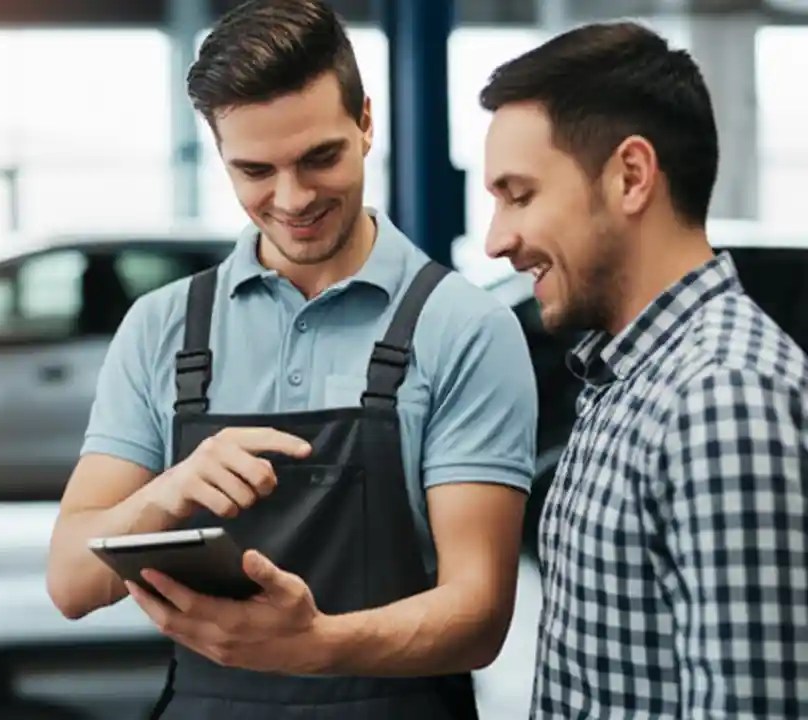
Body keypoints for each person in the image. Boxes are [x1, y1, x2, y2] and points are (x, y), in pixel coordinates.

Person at [45, 1, 537, 717]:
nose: (292, 198)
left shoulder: (464, 328)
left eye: (319, 157)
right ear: (220, 156)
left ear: (366, 123)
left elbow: (479, 612)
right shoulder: (162, 329)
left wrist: (312, 644)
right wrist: (170, 491)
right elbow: (69, 582)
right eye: (254, 170)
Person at [480, 21, 808, 719]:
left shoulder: (722, 397)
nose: (497, 238)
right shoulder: (628, 381)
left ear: (631, 177)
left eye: (521, 195)